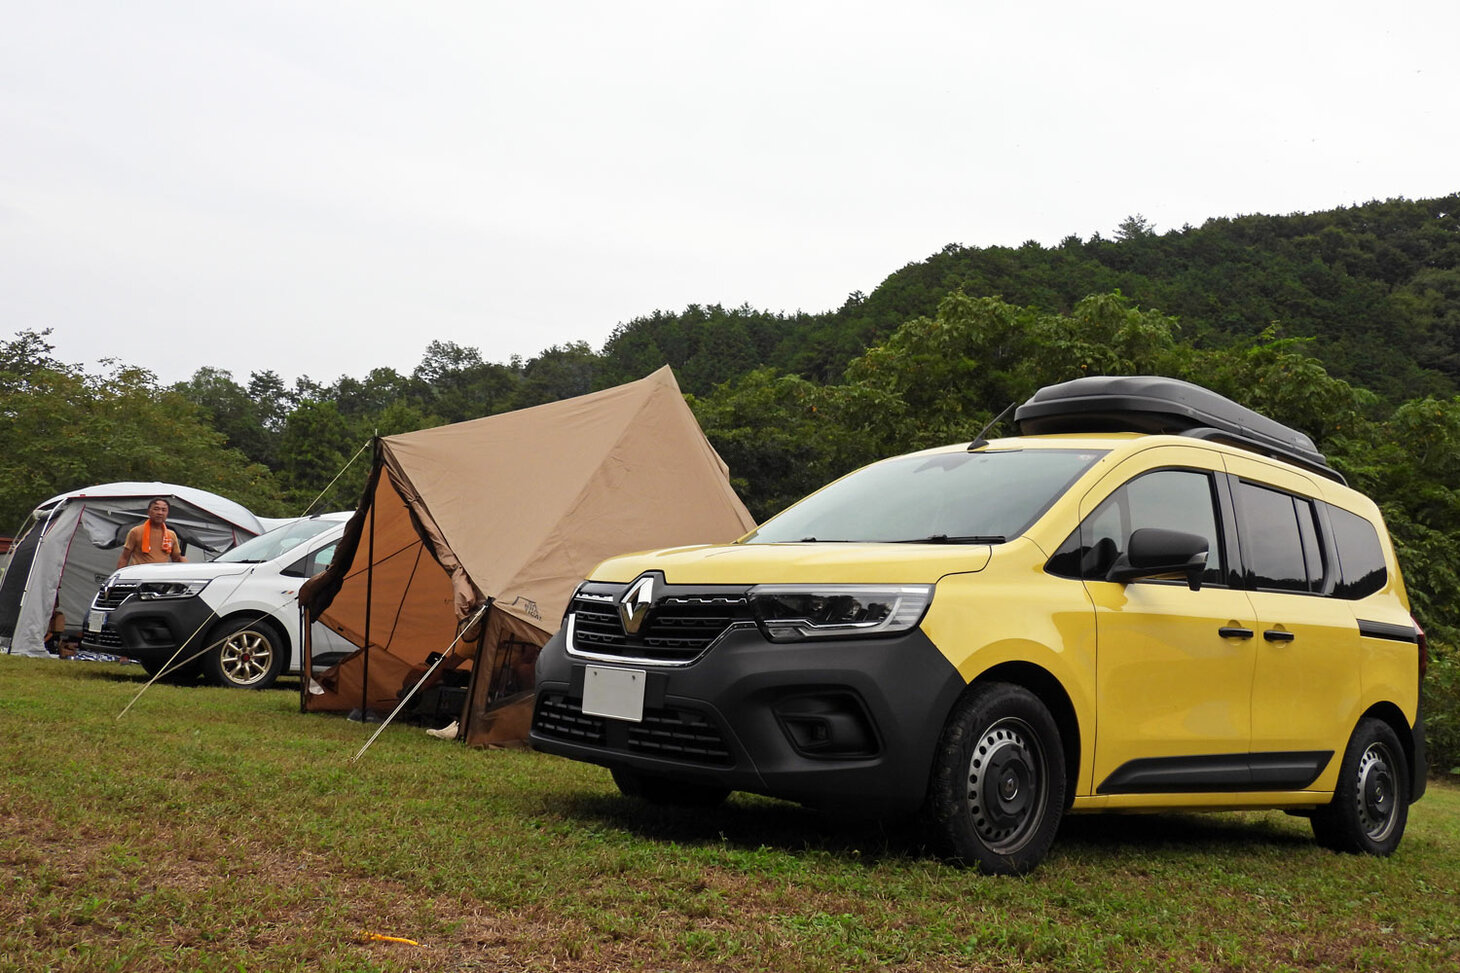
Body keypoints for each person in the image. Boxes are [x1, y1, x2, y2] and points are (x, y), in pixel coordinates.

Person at [117, 497, 187, 567]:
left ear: (167, 514)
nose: (160, 513)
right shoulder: (136, 531)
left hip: (160, 575)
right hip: (140, 574)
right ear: (149, 512)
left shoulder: (171, 535)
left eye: (164, 510)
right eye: (156, 509)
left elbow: (177, 559)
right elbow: (125, 557)